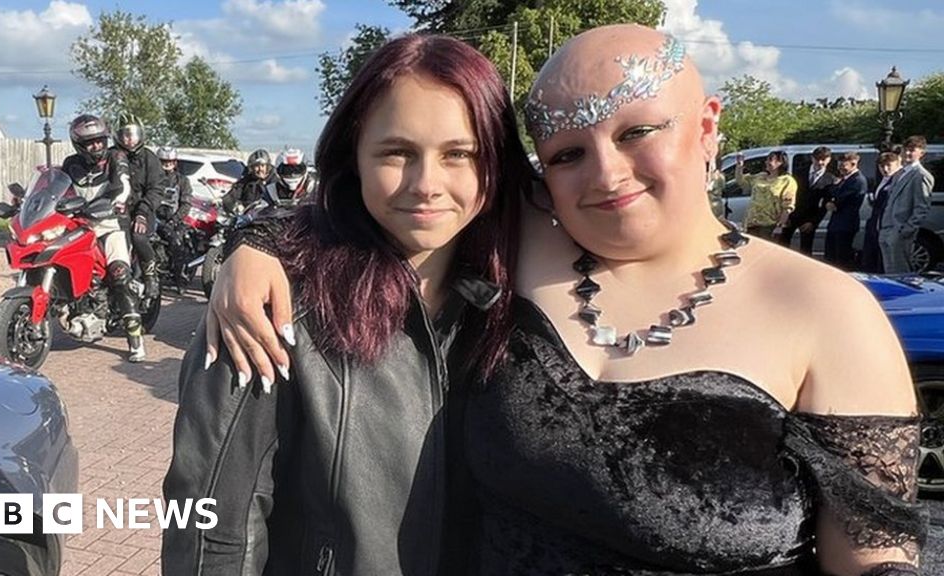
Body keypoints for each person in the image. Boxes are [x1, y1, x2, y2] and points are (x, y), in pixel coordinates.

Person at [205, 26, 925, 576]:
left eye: (637, 131)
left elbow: (873, 559)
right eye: (567, 154)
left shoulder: (826, 312)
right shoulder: (517, 245)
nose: (607, 174)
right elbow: (399, 191)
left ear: (706, 125)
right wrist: (256, 243)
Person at [162, 34, 531, 575]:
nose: (426, 184)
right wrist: (258, 238)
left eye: (460, 154)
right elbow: (212, 528)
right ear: (353, 156)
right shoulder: (276, 306)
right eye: (397, 152)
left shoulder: (522, 299)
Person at [60, 114, 146, 362]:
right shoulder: (70, 163)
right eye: (90, 142)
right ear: (79, 144)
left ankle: (135, 340)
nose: (96, 146)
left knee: (119, 273)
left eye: (99, 140)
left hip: (110, 223)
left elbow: (123, 185)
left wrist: (116, 201)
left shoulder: (116, 157)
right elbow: (58, 188)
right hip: (79, 223)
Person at [113, 112, 164, 297]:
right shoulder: (111, 156)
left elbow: (156, 189)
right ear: (118, 136)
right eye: (125, 134)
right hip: (114, 212)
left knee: (138, 236)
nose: (130, 139)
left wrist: (143, 212)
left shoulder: (150, 158)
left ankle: (151, 276)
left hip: (142, 211)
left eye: (133, 133)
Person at [880, 135, 936, 274]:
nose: (908, 153)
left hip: (900, 230)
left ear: (921, 153)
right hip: (887, 228)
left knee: (901, 271)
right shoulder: (900, 173)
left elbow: (922, 207)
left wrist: (907, 229)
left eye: (912, 150)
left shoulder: (921, 175)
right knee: (889, 270)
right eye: (906, 149)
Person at [779, 146, 835, 255]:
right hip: (792, 215)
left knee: (806, 250)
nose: (820, 162)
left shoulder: (830, 179)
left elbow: (825, 204)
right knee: (783, 244)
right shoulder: (798, 173)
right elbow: (787, 194)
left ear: (829, 160)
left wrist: (813, 222)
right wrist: (785, 215)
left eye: (823, 159)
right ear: (812, 158)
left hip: (810, 218)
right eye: (817, 159)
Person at [735, 149, 797, 240]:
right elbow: (741, 182)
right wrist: (739, 166)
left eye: (770, 160)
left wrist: (780, 226)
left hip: (770, 225)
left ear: (781, 162)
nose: (767, 162)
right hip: (752, 223)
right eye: (767, 160)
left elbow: (788, 206)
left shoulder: (787, 181)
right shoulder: (761, 176)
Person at [156, 146, 194, 292]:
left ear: (175, 162)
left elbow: (186, 204)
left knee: (176, 242)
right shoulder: (152, 179)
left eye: (170, 161)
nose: (167, 164)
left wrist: (174, 220)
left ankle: (180, 279)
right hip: (155, 219)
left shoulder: (182, 181)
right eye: (164, 161)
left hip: (174, 220)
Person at [823, 152, 867, 269]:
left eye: (844, 166)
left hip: (846, 224)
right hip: (836, 223)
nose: (840, 169)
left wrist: (834, 192)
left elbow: (840, 198)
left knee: (841, 259)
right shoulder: (844, 179)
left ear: (854, 164)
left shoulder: (857, 180)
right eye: (839, 166)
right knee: (830, 256)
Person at [862, 152, 903, 273]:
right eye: (882, 166)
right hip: (875, 222)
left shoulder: (898, 180)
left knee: (885, 261)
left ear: (897, 164)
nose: (885, 169)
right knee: (871, 258)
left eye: (889, 165)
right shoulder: (883, 179)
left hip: (887, 223)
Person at [221, 148, 274, 215]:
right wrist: (223, 201)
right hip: (249, 219)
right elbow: (233, 195)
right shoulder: (246, 182)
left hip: (269, 219)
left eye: (262, 166)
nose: (260, 169)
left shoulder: (274, 181)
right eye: (257, 166)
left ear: (267, 167)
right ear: (251, 168)